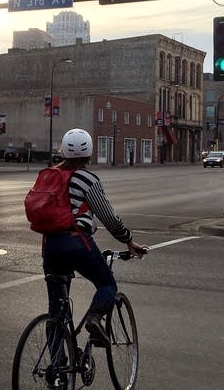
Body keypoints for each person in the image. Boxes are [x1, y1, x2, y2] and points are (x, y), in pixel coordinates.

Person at [42, 128, 148, 347]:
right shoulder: (87, 179)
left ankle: (58, 366)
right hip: (76, 242)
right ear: (89, 153)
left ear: (63, 151)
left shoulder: (50, 176)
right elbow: (108, 218)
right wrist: (128, 240)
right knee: (107, 284)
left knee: (56, 310)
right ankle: (94, 318)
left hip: (50, 244)